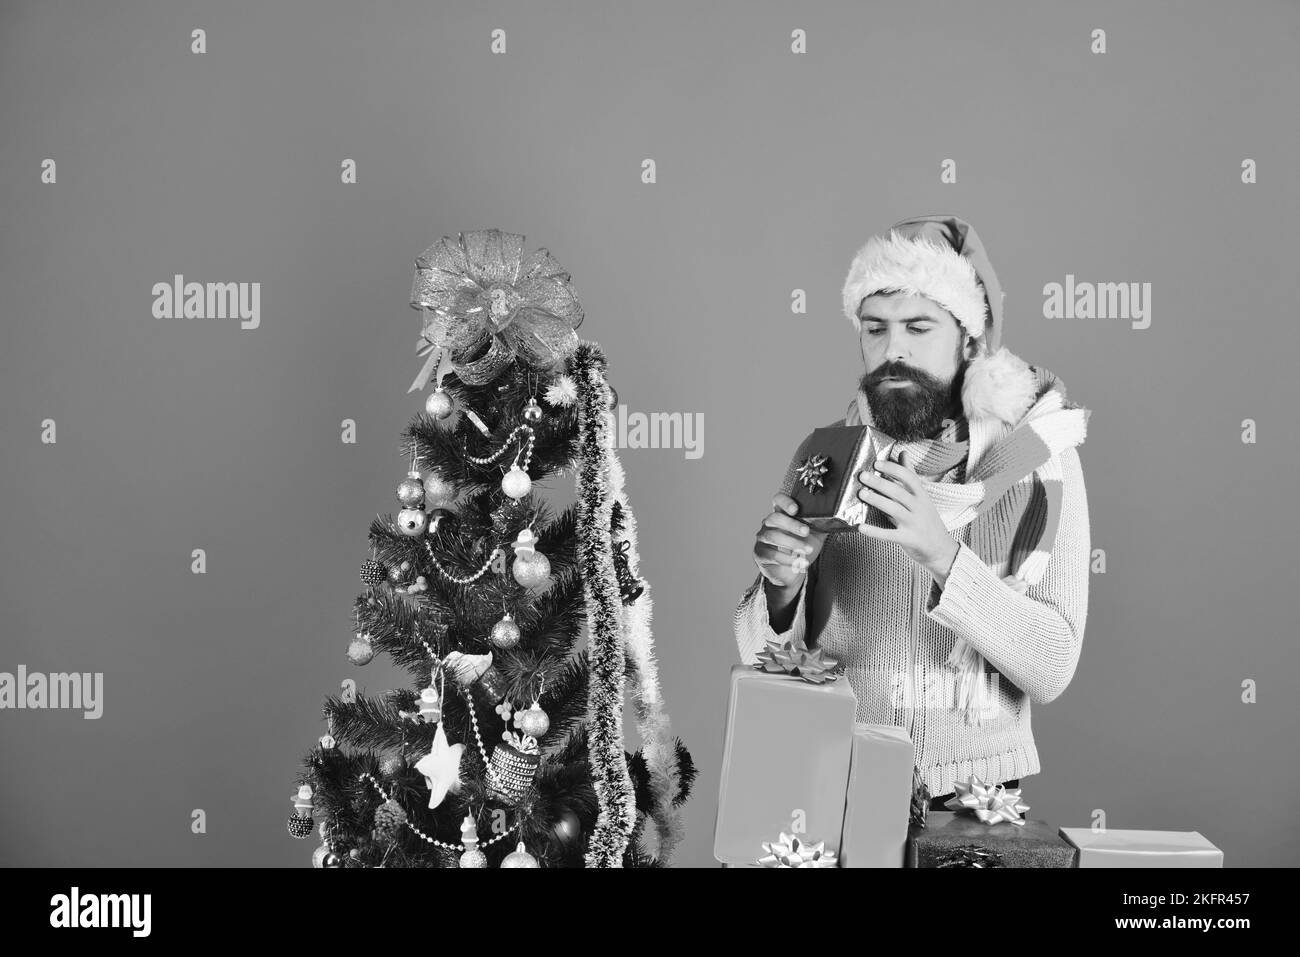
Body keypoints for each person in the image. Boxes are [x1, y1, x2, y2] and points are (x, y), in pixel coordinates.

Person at [734, 214, 1092, 807]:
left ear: (969, 340)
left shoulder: (1039, 464)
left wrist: (944, 556)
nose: (892, 350)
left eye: (918, 327)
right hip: (836, 785)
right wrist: (781, 589)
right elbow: (760, 661)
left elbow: (1051, 668)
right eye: (875, 328)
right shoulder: (831, 456)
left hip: (974, 800)